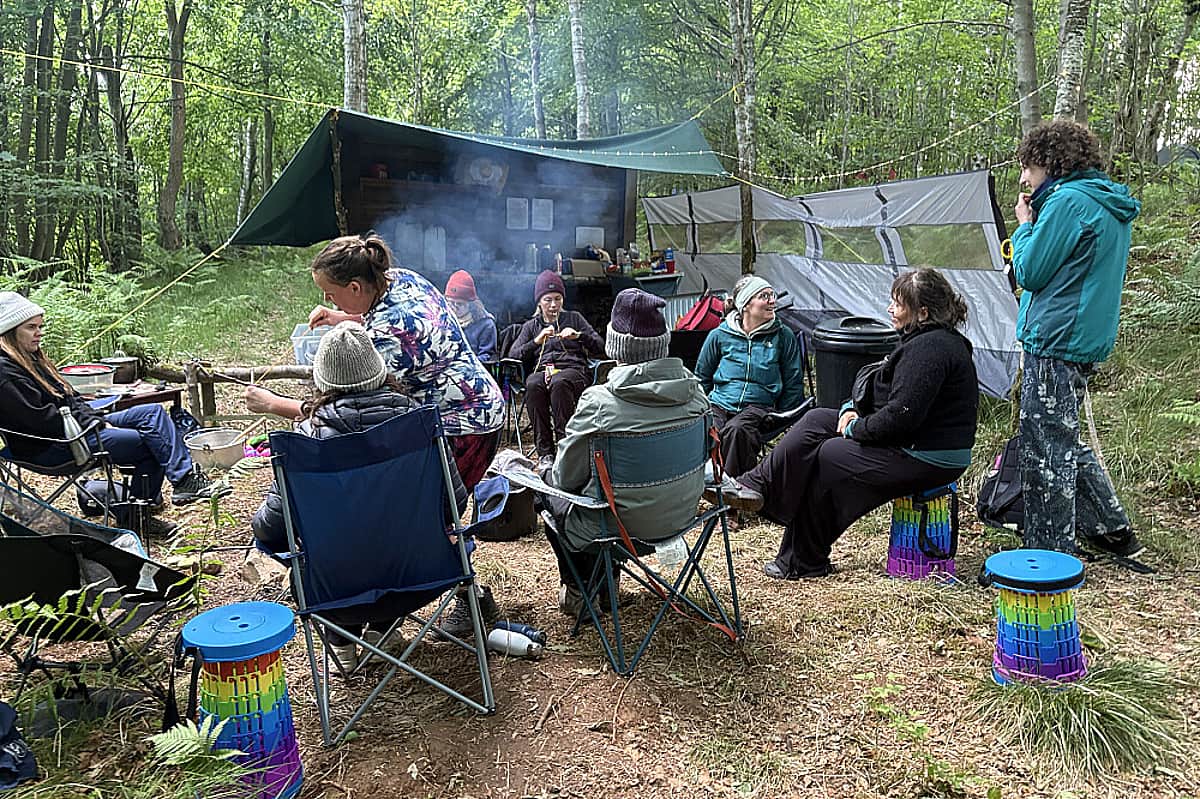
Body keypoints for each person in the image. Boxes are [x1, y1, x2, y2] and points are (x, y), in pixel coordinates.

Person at [251, 322, 491, 671]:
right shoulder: (420, 426)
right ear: (380, 371)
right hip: (423, 577)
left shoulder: (306, 442)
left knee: (338, 546)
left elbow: (269, 528)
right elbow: (456, 503)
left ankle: (341, 644)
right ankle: (384, 630)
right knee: (390, 534)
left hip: (334, 592)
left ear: (322, 381)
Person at [712, 269, 978, 579]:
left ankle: (802, 559)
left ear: (922, 311)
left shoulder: (931, 349)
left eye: (898, 304)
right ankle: (755, 486)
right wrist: (852, 408)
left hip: (929, 456)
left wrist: (854, 428)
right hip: (912, 441)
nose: (890, 309)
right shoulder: (923, 340)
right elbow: (886, 392)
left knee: (829, 455)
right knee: (817, 419)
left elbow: (901, 416)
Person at [245, 234, 504, 491]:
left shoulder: (386, 343)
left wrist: (272, 403)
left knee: (432, 509)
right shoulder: (400, 278)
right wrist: (339, 316)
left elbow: (342, 413)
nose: (327, 300)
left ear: (355, 287)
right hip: (483, 400)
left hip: (465, 425)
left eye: (330, 294)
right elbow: (387, 316)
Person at [1011, 120, 1143, 558]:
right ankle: (1112, 529)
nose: (1025, 179)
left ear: (1050, 163)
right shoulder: (1104, 201)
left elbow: (1030, 270)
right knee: (1060, 433)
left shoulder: (1067, 203)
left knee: (1045, 448)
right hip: (1081, 336)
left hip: (1055, 338)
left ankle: (1048, 554)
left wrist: (1025, 225)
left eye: (1028, 168)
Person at [540, 288, 710, 614]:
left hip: (618, 529)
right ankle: (607, 589)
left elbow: (564, 478)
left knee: (546, 493)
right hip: (680, 518)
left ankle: (582, 593)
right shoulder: (695, 394)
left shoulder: (599, 404)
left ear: (616, 346)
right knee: (603, 495)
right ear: (662, 342)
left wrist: (544, 473)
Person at [0, 292, 227, 534]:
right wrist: (96, 425)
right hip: (54, 445)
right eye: (31, 327)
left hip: (77, 428)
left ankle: (184, 480)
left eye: (40, 326)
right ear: (10, 332)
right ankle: (135, 516)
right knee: (147, 442)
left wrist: (94, 421)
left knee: (152, 413)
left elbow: (70, 398)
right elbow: (42, 420)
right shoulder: (5, 373)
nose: (39, 332)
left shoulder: (31, 360)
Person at [694, 275, 805, 479]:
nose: (772, 301)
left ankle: (736, 490)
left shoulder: (783, 335)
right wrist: (708, 401)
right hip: (720, 402)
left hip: (758, 406)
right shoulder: (719, 335)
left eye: (772, 295)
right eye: (765, 296)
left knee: (736, 431)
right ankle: (710, 485)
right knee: (710, 429)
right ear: (745, 305)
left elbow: (794, 382)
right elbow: (701, 377)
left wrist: (779, 415)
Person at [507, 270, 605, 470]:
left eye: (558, 299)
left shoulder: (574, 318)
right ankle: (545, 454)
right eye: (548, 300)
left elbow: (600, 347)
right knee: (533, 383)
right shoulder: (531, 326)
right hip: (544, 371)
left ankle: (564, 448)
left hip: (574, 371)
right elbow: (513, 355)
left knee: (560, 383)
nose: (553, 305)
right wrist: (536, 341)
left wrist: (578, 336)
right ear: (539, 302)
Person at [444, 270, 497, 361]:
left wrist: (464, 363)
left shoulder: (486, 324)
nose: (454, 308)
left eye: (460, 304)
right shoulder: (443, 319)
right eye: (451, 303)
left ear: (471, 304)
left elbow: (487, 356)